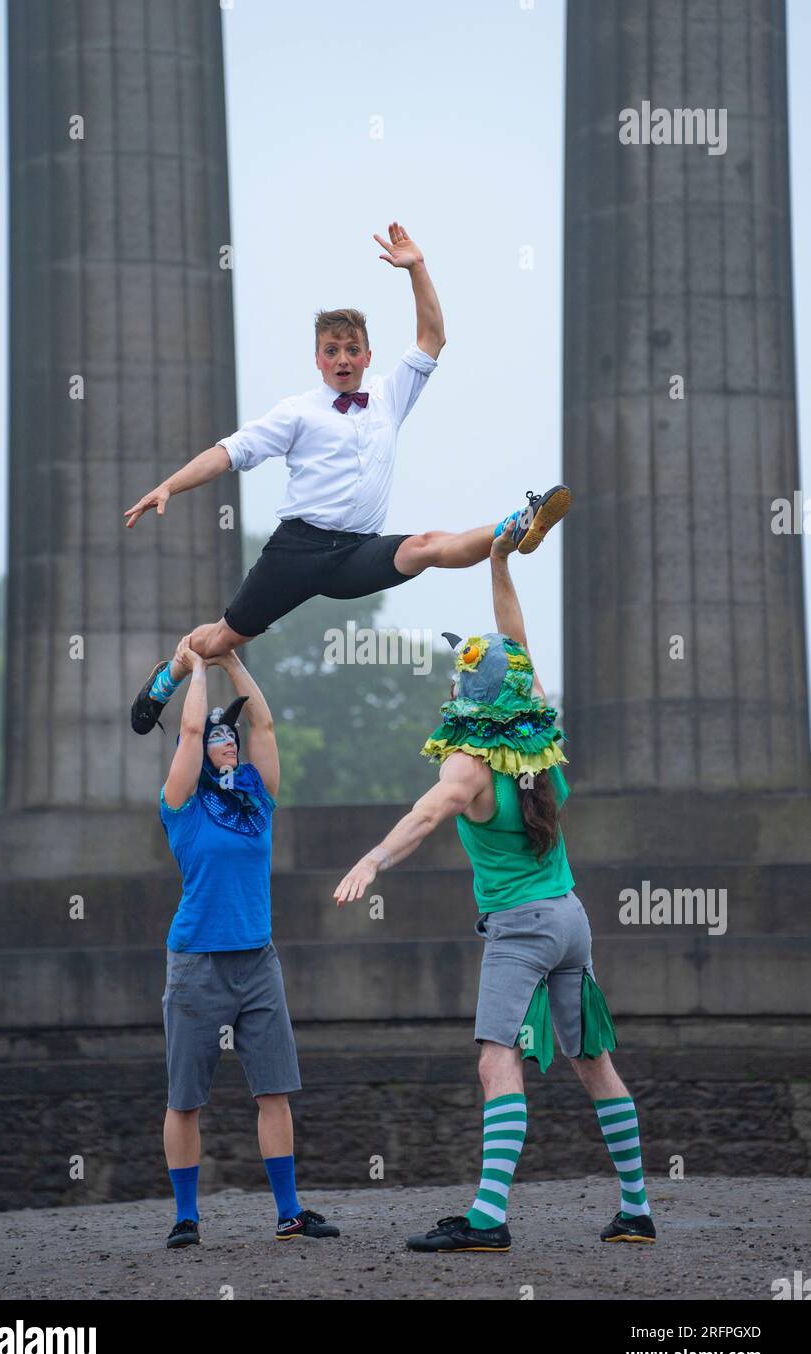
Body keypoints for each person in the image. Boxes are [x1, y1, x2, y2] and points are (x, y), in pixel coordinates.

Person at [333, 519, 655, 1252]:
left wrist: (373, 861)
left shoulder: (468, 767)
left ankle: (486, 1220)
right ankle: (636, 1207)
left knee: (495, 1059)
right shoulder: (540, 731)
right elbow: (518, 642)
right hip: (571, 919)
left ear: (463, 695)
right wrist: (500, 561)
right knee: (591, 1060)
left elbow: (423, 817)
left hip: (520, 928)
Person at [125, 219, 570, 734]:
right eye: (332, 351)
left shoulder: (388, 395)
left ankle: (517, 523)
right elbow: (228, 453)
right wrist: (168, 485)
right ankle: (171, 673)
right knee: (222, 641)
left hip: (356, 552)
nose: (342, 359)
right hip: (296, 551)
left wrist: (417, 268)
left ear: (367, 356)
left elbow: (433, 337)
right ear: (317, 359)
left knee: (424, 545)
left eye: (351, 350)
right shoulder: (298, 412)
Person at [160, 637, 338, 1248]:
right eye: (218, 736)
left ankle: (289, 1213)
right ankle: (187, 1217)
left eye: (228, 736)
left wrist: (231, 653)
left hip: (258, 959)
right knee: (186, 1099)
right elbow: (187, 732)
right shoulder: (182, 805)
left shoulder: (259, 793)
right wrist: (198, 665)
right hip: (197, 962)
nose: (227, 739)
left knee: (275, 1090)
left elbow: (261, 718)